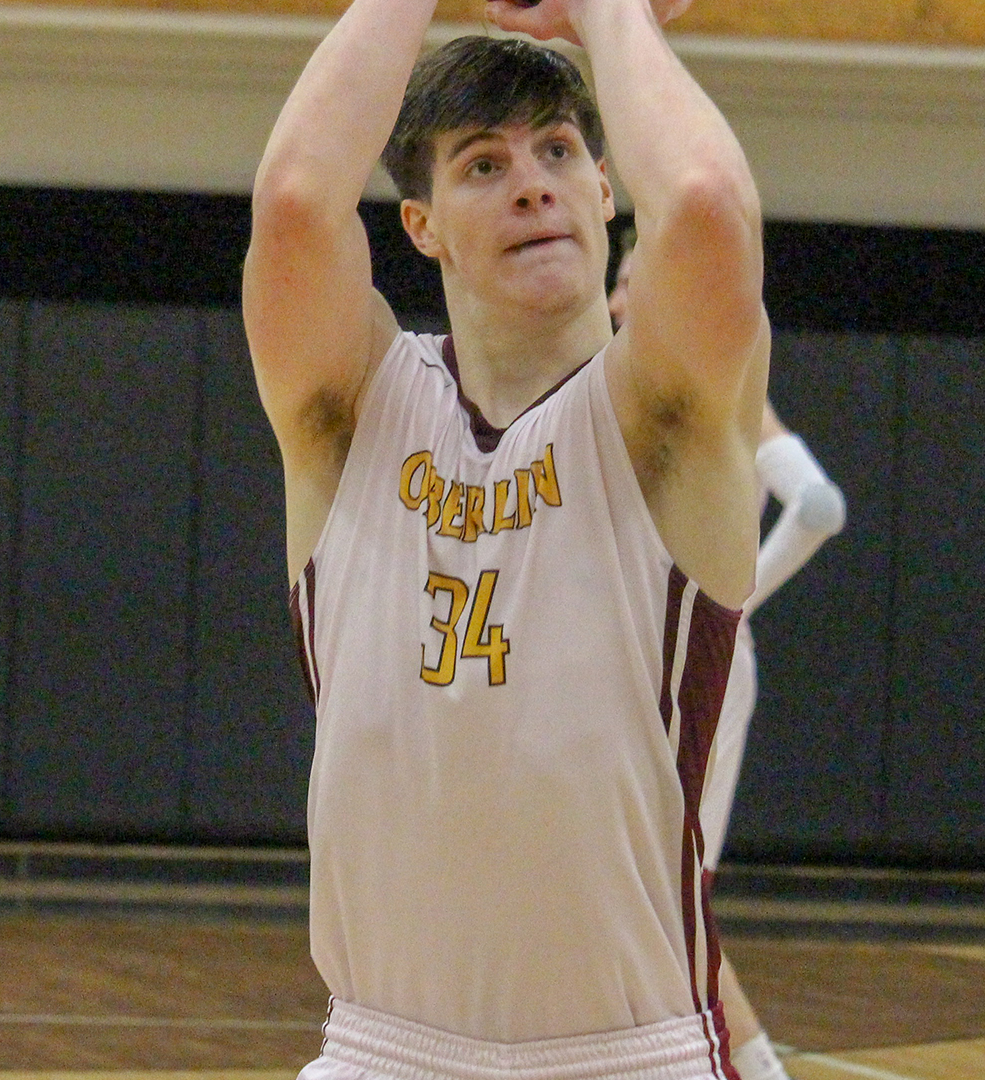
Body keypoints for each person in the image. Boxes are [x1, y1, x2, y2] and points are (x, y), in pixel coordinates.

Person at [243, 0, 768, 1075]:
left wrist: (606, 6)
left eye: (559, 151)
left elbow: (706, 204)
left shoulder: (663, 414)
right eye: (484, 164)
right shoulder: (354, 405)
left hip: (628, 1056)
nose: (533, 184)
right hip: (383, 1050)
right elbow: (295, 201)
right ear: (421, 226)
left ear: (608, 192)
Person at [611, 237, 847, 1080]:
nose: (618, 300)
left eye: (632, 282)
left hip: (689, 667)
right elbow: (816, 506)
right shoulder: (643, 389)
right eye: (618, 283)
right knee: (643, 896)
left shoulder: (709, 390)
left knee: (668, 898)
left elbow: (819, 507)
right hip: (655, 662)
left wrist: (732, 600)